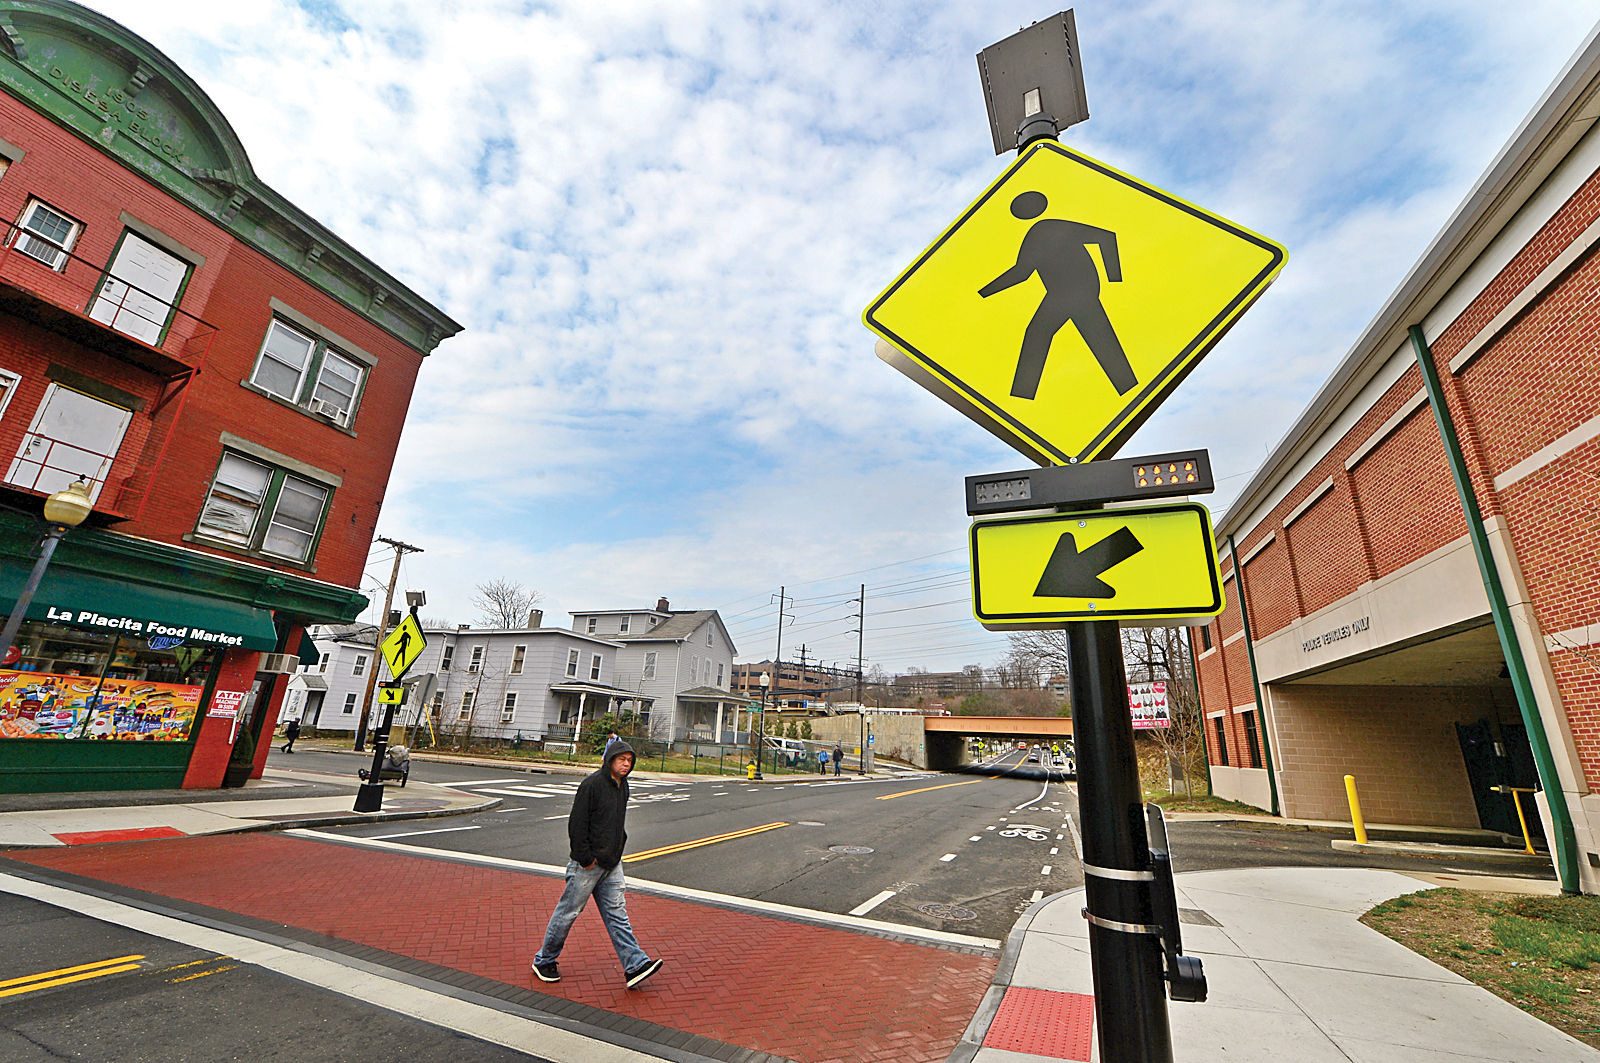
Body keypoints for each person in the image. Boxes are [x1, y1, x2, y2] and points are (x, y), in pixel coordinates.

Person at [531, 741, 661, 989]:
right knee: (568, 913)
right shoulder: (592, 785)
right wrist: (585, 858)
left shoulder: (623, 786)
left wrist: (618, 847)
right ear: (610, 759)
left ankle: (634, 964)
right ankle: (544, 960)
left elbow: (616, 822)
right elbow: (577, 824)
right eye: (621, 759)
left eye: (629, 760)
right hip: (587, 866)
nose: (626, 764)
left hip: (612, 863)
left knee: (618, 915)